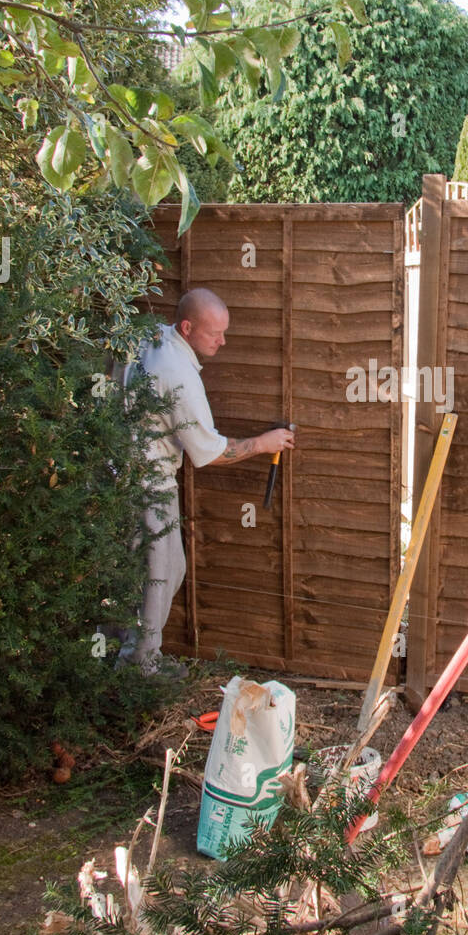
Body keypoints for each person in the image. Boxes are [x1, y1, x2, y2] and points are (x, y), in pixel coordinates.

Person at [118, 287, 295, 674]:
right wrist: (263, 444)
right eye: (214, 334)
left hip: (124, 479)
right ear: (186, 327)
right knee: (158, 576)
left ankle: (125, 650)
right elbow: (208, 452)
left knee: (160, 571)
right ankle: (138, 669)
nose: (223, 341)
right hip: (148, 487)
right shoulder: (178, 376)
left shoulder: (153, 338)